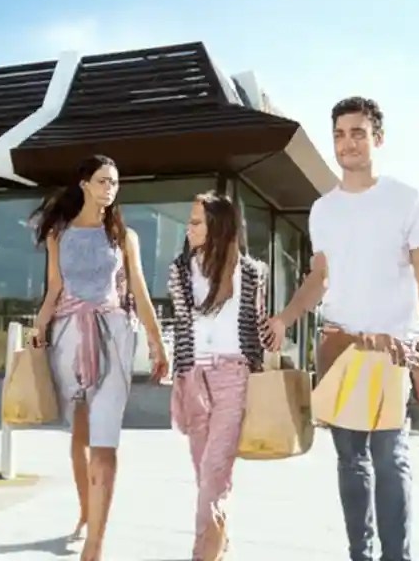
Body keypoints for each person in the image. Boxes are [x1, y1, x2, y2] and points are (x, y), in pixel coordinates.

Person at [268, 96, 419, 561]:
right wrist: (285, 317)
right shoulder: (323, 210)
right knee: (350, 461)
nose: (348, 143)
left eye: (358, 133)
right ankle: (359, 555)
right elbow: (319, 278)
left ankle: (395, 556)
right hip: (339, 344)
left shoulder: (407, 198)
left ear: (377, 139)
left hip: (389, 350)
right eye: (340, 134)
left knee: (390, 457)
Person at [30, 154, 171, 561]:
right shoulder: (59, 232)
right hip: (68, 336)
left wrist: (157, 342)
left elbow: (140, 292)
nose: (110, 188)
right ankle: (85, 513)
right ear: (84, 185)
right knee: (78, 440)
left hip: (113, 335)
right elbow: (54, 288)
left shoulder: (124, 237)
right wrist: (39, 329)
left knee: (104, 439)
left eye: (114, 182)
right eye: (102, 181)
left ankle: (95, 546)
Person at [166, 191, 273, 561]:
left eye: (196, 222)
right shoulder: (179, 271)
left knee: (214, 473)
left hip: (233, 376)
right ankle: (219, 543)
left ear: (217, 227)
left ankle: (202, 554)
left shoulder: (251, 273)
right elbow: (183, 326)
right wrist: (178, 377)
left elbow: (256, 328)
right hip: (193, 377)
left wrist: (278, 328)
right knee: (206, 477)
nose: (188, 228)